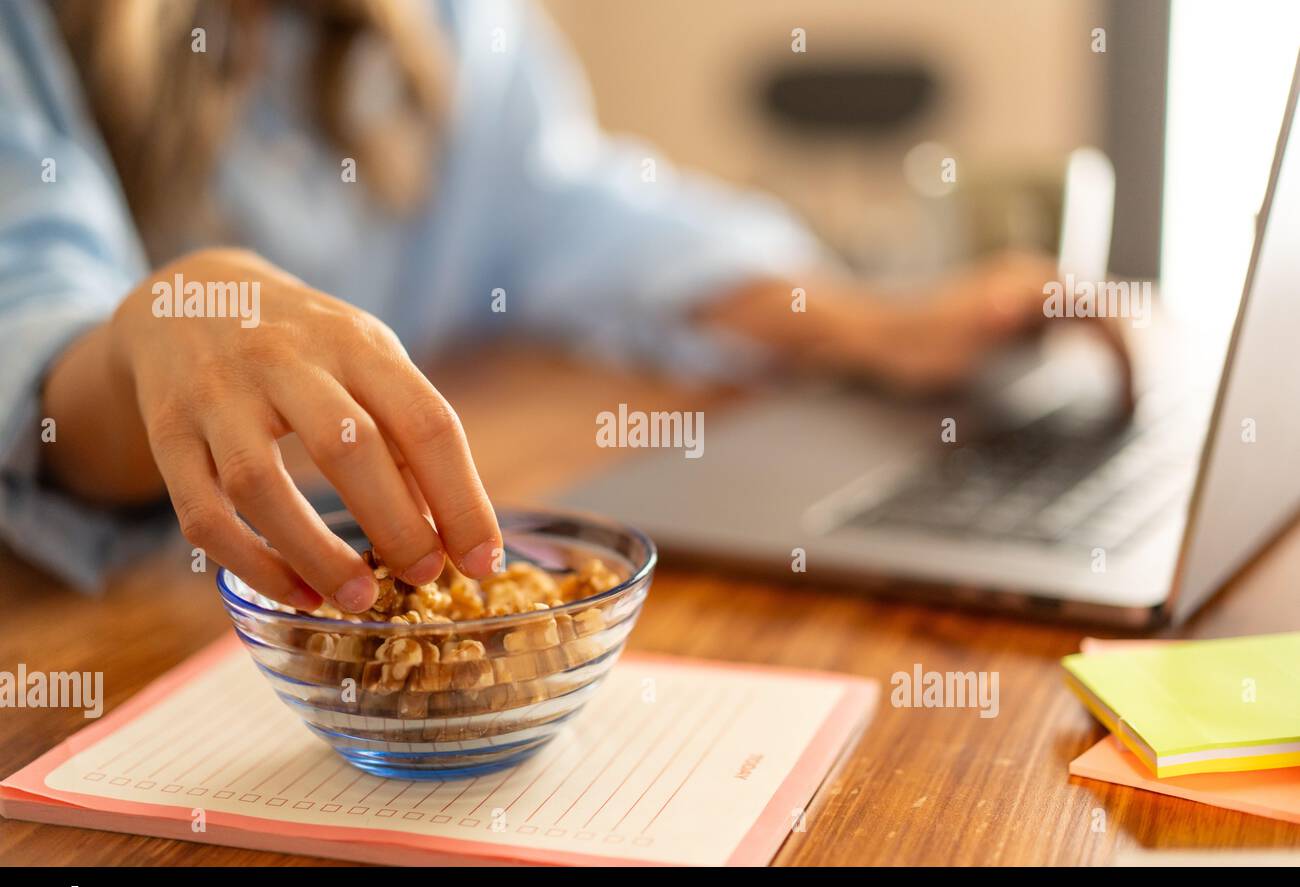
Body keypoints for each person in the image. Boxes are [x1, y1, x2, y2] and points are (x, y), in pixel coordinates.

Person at [0, 0, 1058, 614]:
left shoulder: (448, 23)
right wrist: (159, 328)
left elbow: (583, 212)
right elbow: (35, 352)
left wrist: (868, 322)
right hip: (101, 618)